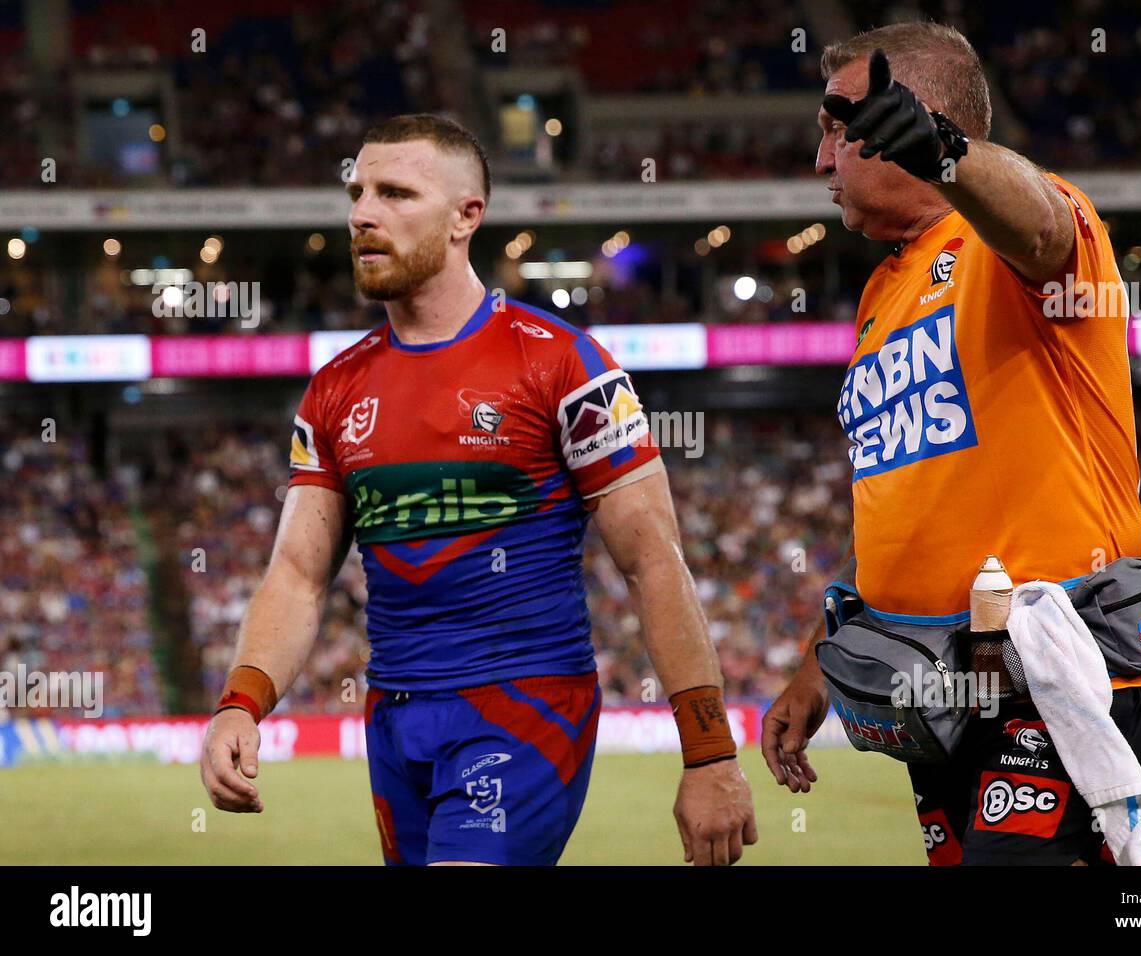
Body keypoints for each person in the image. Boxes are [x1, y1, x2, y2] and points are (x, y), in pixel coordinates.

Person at [199, 113, 757, 866]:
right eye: (358, 192)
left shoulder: (565, 365)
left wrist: (710, 752)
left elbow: (652, 560)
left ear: (468, 216)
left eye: (396, 192)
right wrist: (241, 703)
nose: (363, 212)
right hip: (395, 720)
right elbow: (298, 574)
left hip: (524, 707)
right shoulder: (334, 390)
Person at [762, 23, 1141, 865]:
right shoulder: (884, 289)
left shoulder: (1020, 239)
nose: (821, 162)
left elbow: (1044, 226)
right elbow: (902, 504)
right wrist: (815, 669)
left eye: (836, 129)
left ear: (906, 122)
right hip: (937, 683)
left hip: (1051, 663)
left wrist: (947, 155)